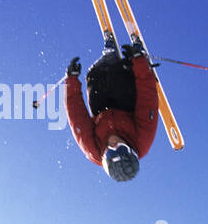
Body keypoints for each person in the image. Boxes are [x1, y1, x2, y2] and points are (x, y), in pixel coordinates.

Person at [64, 34, 159, 182]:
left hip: (101, 112)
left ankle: (108, 57)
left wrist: (71, 79)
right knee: (117, 78)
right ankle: (128, 63)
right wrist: (140, 63)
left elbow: (76, 115)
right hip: (127, 106)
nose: (113, 145)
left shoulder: (92, 149)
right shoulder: (142, 140)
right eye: (121, 149)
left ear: (104, 157)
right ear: (131, 151)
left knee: (94, 76)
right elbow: (147, 99)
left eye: (110, 153)